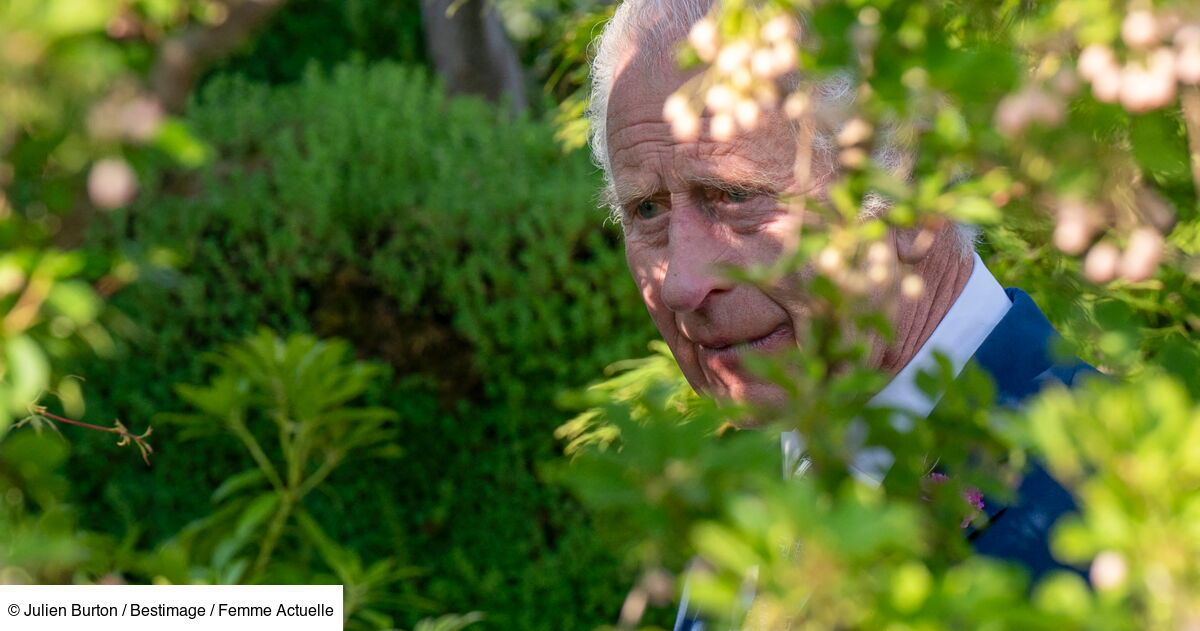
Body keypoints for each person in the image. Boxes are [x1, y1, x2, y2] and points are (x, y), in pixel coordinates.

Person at [586, 0, 1095, 627]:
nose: (682, 285)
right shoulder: (744, 512)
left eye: (734, 195)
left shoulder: (1123, 500)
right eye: (647, 211)